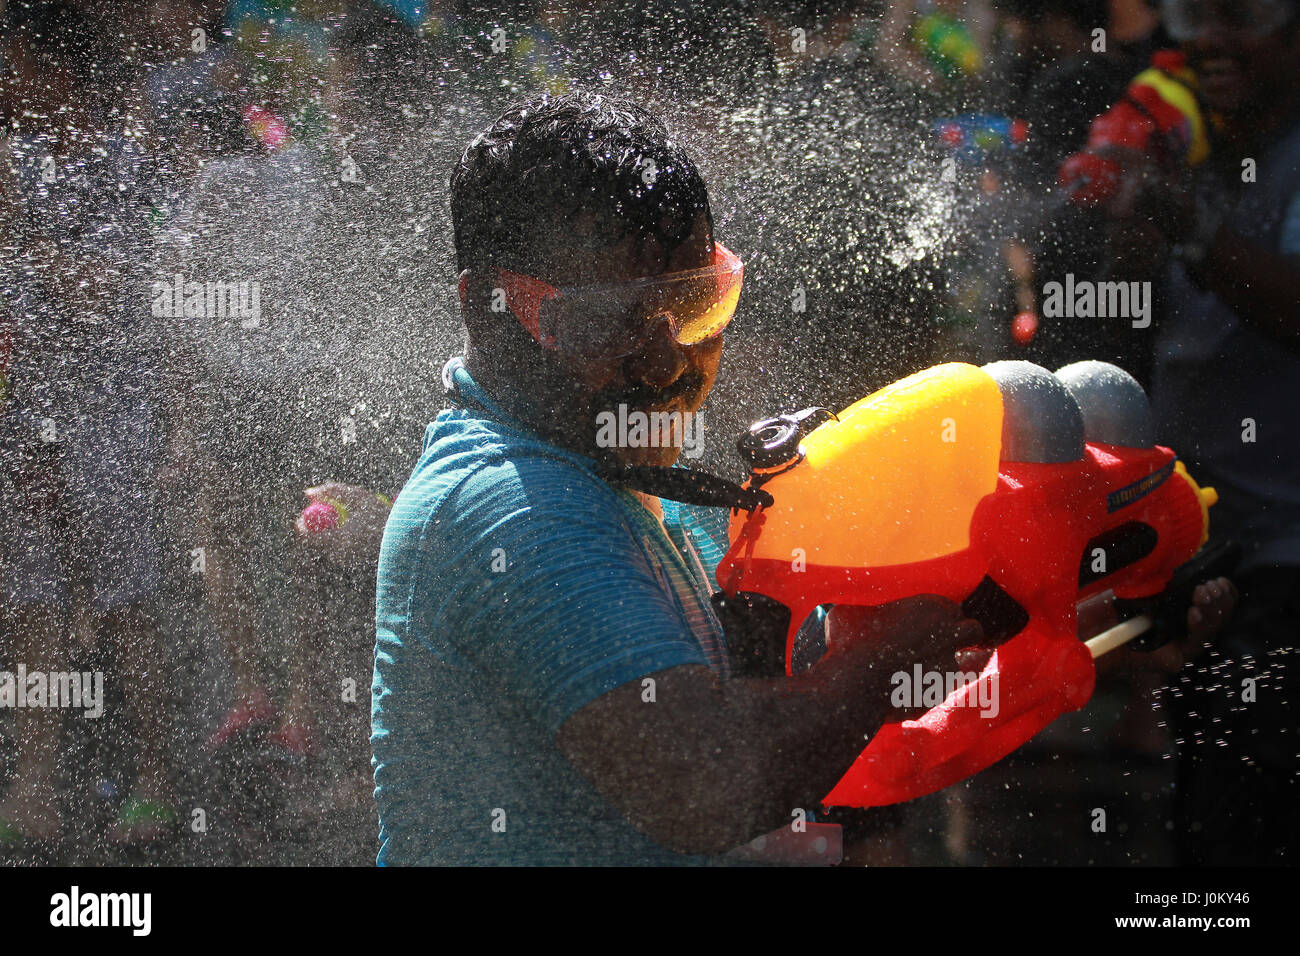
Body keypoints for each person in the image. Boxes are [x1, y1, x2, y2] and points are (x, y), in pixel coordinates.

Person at [370, 89, 993, 865]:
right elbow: (702, 787)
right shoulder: (508, 509)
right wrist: (874, 670)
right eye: (608, 320)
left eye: (694, 307)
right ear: (485, 309)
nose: (667, 364)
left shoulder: (638, 485)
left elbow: (788, 710)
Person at [1099, 0, 1300, 864]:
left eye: (1246, 17)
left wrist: (1195, 230)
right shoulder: (1199, 149)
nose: (1211, 41)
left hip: (1290, 560)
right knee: (1209, 819)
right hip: (1208, 552)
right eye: (1195, 17)